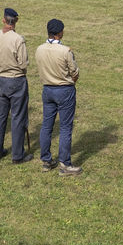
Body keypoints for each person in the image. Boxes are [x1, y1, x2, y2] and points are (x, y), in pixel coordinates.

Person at [37, 18, 81, 174]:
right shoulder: (65, 51)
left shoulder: (40, 49)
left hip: (47, 89)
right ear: (59, 33)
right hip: (64, 90)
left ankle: (46, 160)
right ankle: (65, 164)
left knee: (47, 126)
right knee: (65, 128)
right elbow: (74, 72)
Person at [0, 8, 29, 161]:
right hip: (16, 80)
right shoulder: (18, 39)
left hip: (0, 79)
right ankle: (18, 155)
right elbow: (24, 63)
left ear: (3, 20)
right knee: (18, 117)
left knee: (0, 116)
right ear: (16, 21)